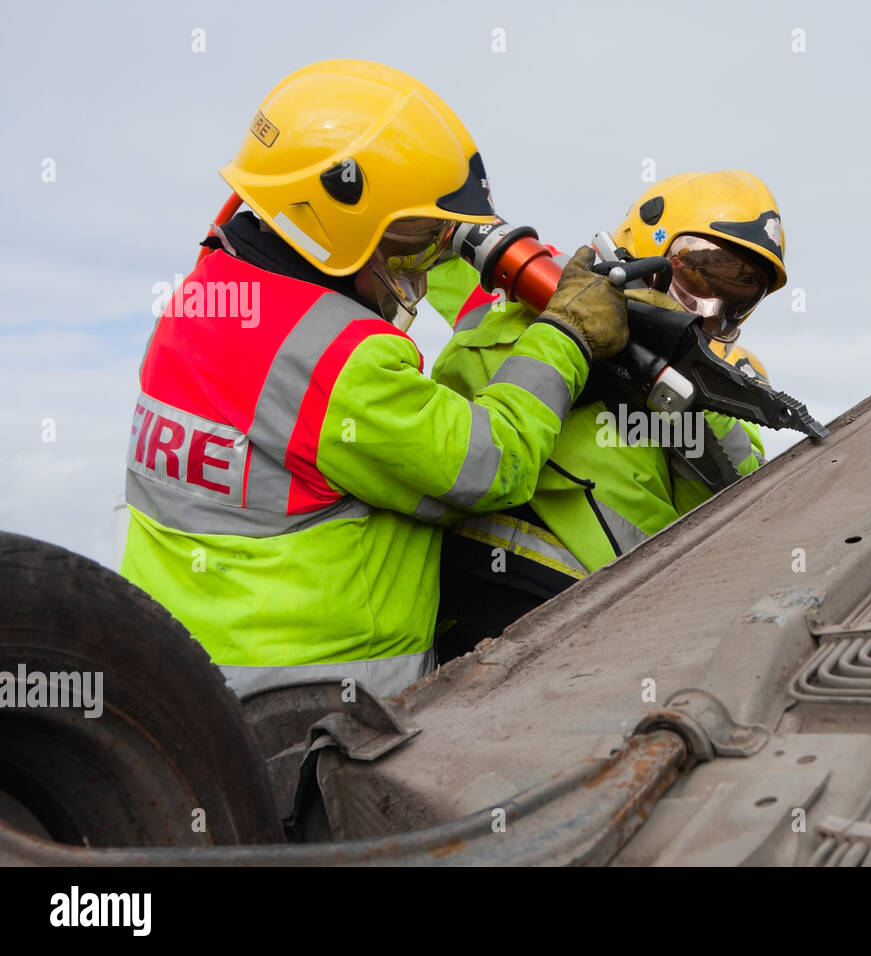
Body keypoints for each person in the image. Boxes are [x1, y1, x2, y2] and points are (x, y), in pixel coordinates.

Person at [119, 60, 630, 698]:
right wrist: (568, 335)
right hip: (307, 715)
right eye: (411, 238)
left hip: (175, 684)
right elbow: (491, 463)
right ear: (330, 218)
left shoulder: (200, 300)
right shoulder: (340, 359)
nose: (419, 263)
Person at [428, 170, 786, 659]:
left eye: (734, 302)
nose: (708, 310)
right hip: (499, 614)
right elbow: (467, 438)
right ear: (642, 254)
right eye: (700, 276)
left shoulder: (699, 393)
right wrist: (577, 341)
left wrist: (693, 390)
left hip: (619, 635)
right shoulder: (522, 332)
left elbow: (743, 503)